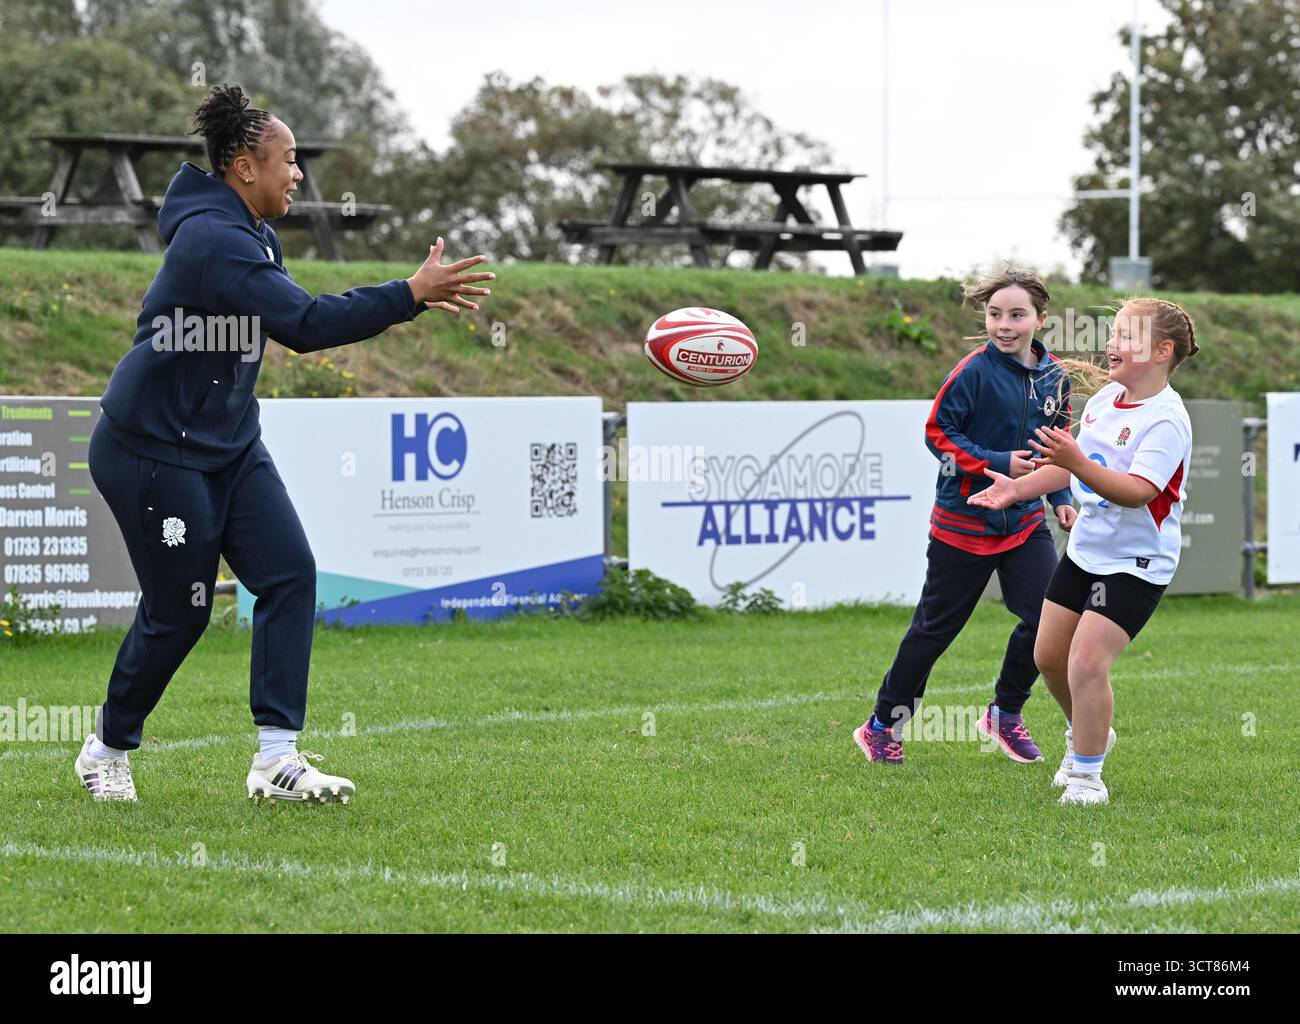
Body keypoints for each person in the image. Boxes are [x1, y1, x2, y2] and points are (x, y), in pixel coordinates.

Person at [76, 84, 494, 804]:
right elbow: (302, 323)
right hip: (151, 449)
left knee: (291, 573)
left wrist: (406, 296)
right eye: (288, 160)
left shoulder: (250, 233)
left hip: (229, 443)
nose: (297, 173)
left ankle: (276, 759)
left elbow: (285, 318)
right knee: (181, 610)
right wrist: (409, 293)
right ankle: (105, 749)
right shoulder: (215, 241)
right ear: (244, 167)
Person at [968, 297, 1198, 804]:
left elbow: (1137, 491)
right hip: (1087, 551)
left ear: (1162, 351)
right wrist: (1015, 488)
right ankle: (1090, 732)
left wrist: (1075, 459)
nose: (1111, 344)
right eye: (1112, 333)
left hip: (1136, 564)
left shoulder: (1167, 418)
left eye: (1126, 337)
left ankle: (1087, 776)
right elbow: (1071, 467)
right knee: (1047, 656)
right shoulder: (1102, 402)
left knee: (1087, 662)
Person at [854, 268, 1075, 766]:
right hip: (964, 523)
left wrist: (1060, 494)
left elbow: (1059, 444)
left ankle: (1005, 712)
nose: (1003, 324)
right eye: (995, 314)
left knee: (1048, 621)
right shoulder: (973, 370)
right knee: (934, 630)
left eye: (1017, 315)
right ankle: (881, 725)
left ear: (1041, 318)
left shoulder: (1056, 377)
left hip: (1022, 522)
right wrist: (996, 462)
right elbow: (938, 433)